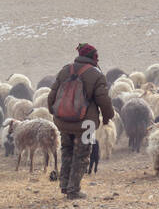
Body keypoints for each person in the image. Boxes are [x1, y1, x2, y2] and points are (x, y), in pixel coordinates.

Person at [47, 42, 113, 200]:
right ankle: (74, 190)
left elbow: (51, 97)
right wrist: (107, 117)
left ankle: (64, 185)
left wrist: (55, 113)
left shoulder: (65, 70)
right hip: (86, 124)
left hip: (63, 121)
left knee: (67, 150)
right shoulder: (96, 75)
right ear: (92, 57)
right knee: (82, 154)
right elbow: (103, 100)